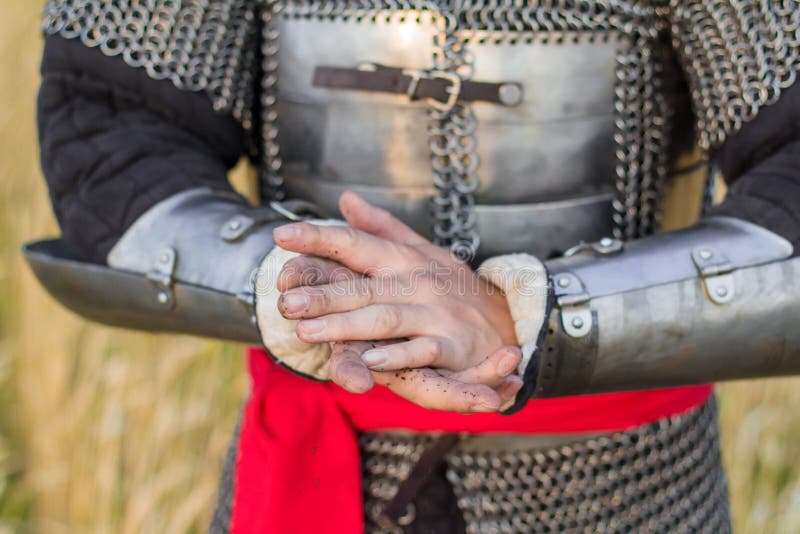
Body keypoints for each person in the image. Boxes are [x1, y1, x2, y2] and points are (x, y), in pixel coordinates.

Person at [26, 1, 800, 532]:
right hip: (319, 454)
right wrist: (301, 288)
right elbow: (110, 126)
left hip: (627, 482)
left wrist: (529, 316)